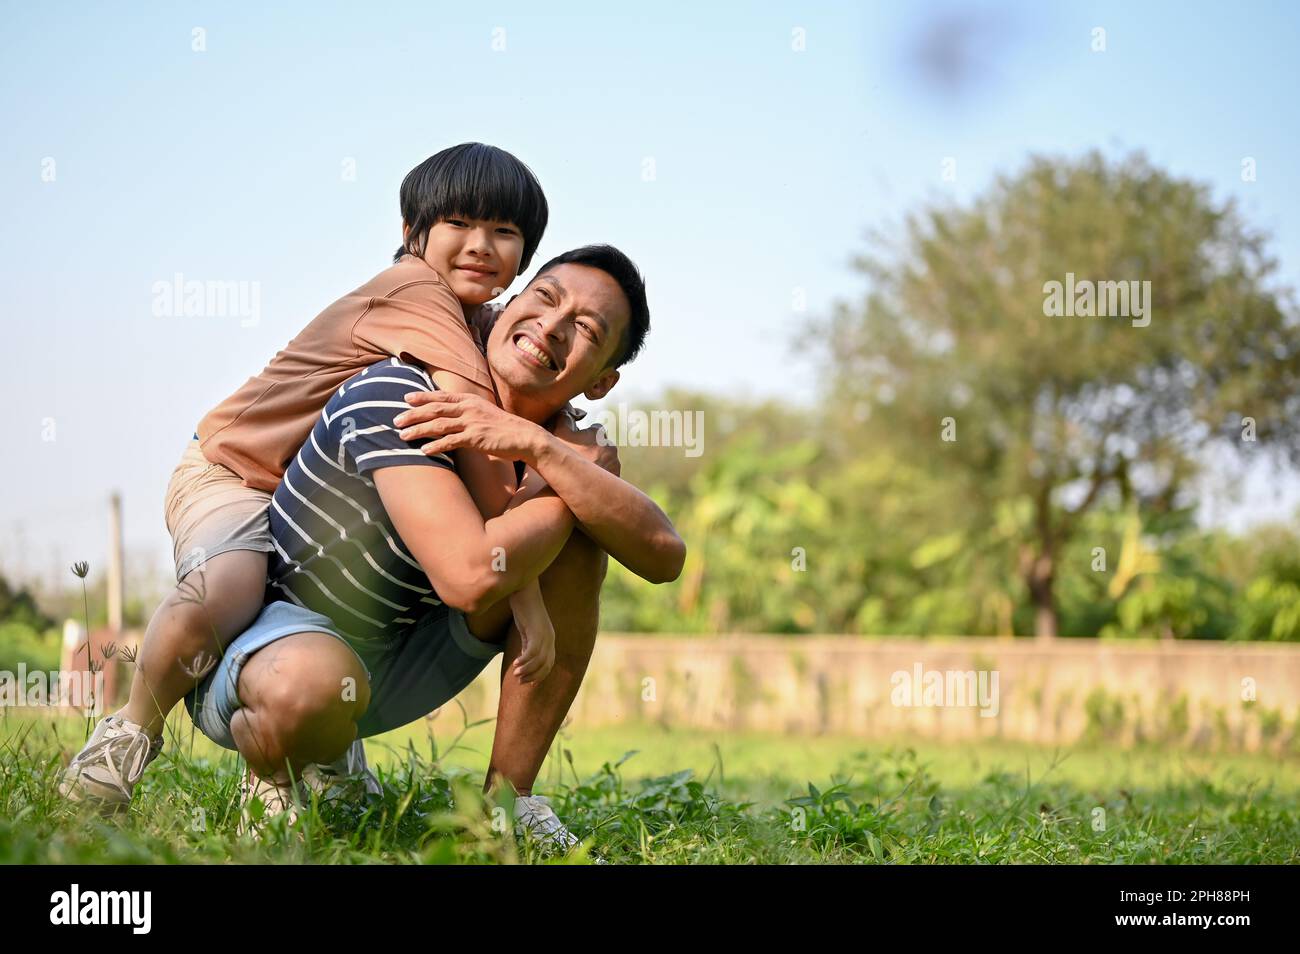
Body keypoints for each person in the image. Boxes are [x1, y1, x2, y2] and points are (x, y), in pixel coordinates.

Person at [60, 143, 568, 811]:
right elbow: (485, 457)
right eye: (460, 225)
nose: (481, 246)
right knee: (231, 585)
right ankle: (129, 731)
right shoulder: (418, 295)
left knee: (323, 600)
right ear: (412, 232)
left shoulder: (476, 322)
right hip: (231, 469)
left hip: (300, 494)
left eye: (504, 232)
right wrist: (530, 587)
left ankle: (315, 744)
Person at [185, 246, 685, 844]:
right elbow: (469, 578)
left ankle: (506, 809)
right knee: (309, 687)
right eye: (545, 299)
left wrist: (544, 451)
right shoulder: (402, 390)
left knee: (585, 530)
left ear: (602, 380)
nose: (551, 327)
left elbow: (664, 556)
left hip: (389, 667)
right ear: (505, 308)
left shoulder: (559, 443)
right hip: (266, 658)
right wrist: (561, 475)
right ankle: (278, 774)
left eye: (585, 329)